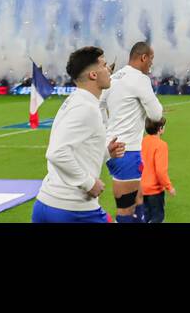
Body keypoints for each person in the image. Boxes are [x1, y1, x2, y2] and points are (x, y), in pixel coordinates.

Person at [33, 46, 124, 223]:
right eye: (104, 65)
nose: (109, 70)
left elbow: (77, 146)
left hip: (47, 204)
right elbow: (56, 152)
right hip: (72, 210)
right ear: (93, 75)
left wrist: (105, 150)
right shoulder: (86, 108)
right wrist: (89, 183)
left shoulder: (76, 100)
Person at [102, 41, 164, 223]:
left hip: (111, 148)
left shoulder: (114, 77)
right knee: (126, 210)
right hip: (127, 150)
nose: (151, 63)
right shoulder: (140, 79)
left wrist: (108, 127)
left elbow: (99, 104)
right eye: (151, 59)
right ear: (143, 58)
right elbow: (156, 114)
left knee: (139, 198)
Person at [140, 117, 174, 223]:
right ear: (160, 129)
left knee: (145, 217)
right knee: (157, 219)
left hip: (140, 188)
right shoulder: (161, 145)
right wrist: (169, 187)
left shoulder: (142, 142)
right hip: (154, 190)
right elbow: (160, 171)